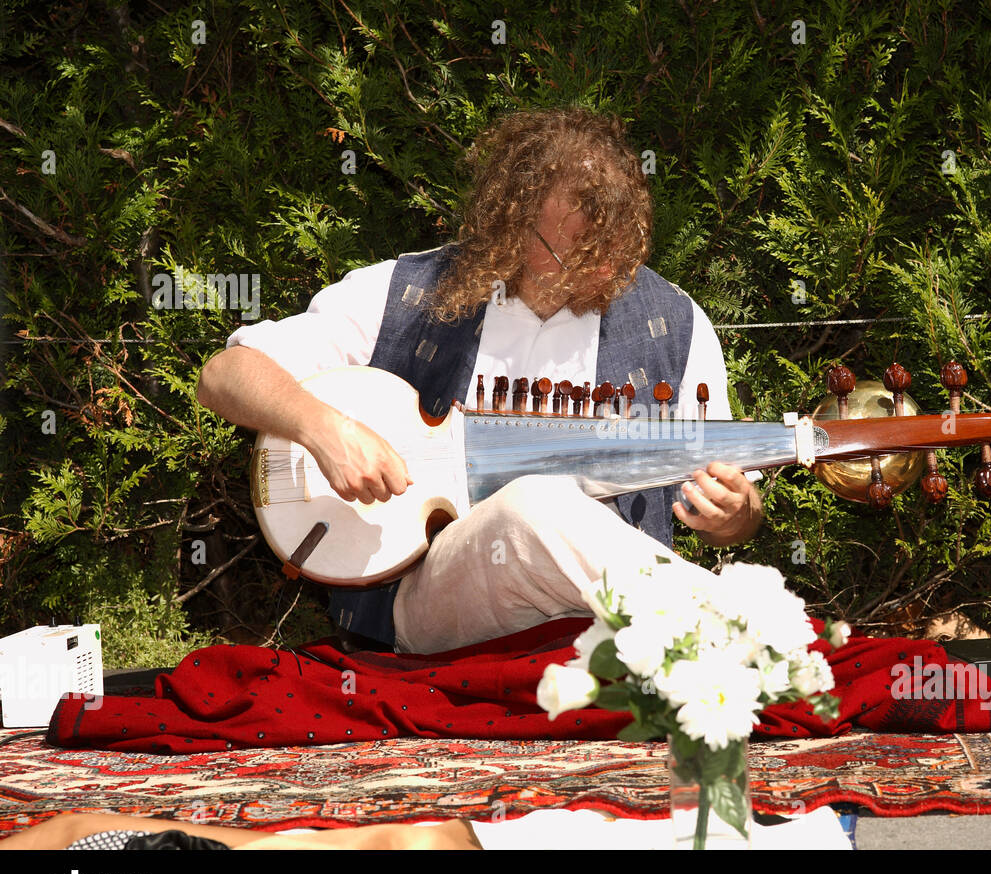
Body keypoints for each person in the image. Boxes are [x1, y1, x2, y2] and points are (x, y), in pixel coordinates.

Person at [196, 107, 762, 655]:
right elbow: (225, 376)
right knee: (532, 505)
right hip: (434, 599)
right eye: (577, 251)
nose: (604, 270)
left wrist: (733, 518)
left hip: (608, 622)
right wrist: (322, 428)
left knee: (547, 511)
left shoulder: (673, 323)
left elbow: (731, 515)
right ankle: (750, 638)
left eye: (613, 249)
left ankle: (712, 637)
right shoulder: (405, 293)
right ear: (511, 227)